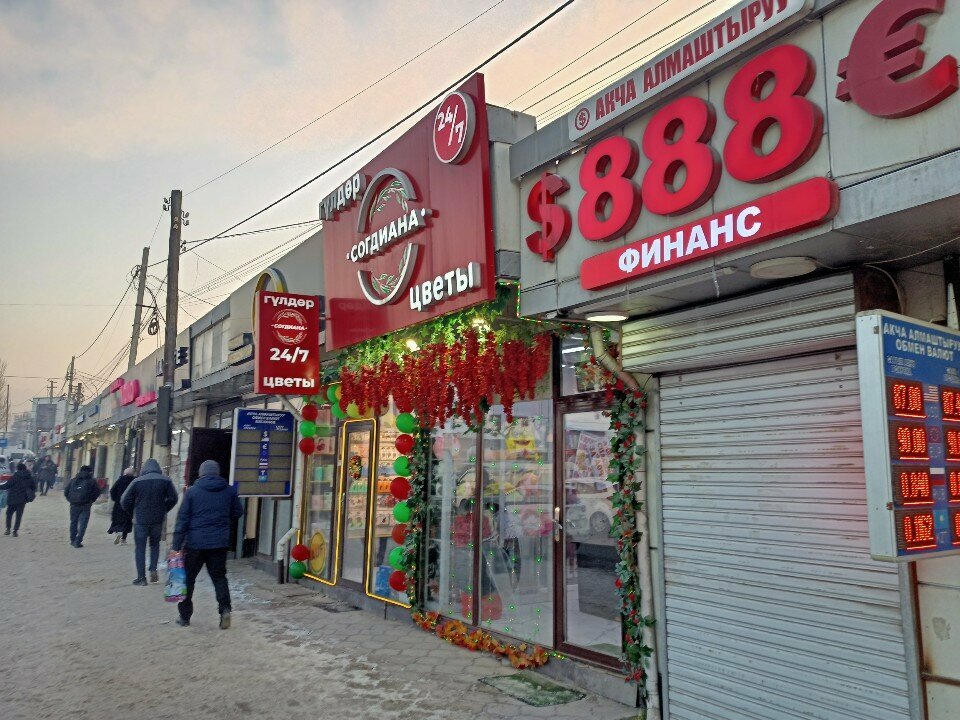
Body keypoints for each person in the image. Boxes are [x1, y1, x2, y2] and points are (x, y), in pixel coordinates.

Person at [171, 460, 243, 629]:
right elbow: (238, 512)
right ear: (218, 473)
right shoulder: (229, 491)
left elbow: (182, 520)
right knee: (219, 577)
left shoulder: (192, 492)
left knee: (188, 580)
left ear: (201, 473)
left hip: (195, 544)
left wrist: (176, 545)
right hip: (219, 543)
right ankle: (225, 610)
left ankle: (185, 616)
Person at [121, 459, 178, 586]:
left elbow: (124, 500)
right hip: (157, 519)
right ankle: (153, 569)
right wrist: (164, 509)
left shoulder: (137, 481)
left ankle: (141, 578)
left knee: (140, 548)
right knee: (155, 545)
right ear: (158, 468)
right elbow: (174, 498)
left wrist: (133, 512)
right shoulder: (166, 480)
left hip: (141, 519)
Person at [64, 465, 100, 548]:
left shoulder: (73, 480)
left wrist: (70, 500)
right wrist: (91, 500)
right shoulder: (92, 481)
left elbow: (66, 491)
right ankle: (78, 540)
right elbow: (97, 492)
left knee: (73, 522)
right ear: (90, 472)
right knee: (83, 523)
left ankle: (72, 539)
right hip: (86, 505)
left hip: (73, 505)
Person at [0, 463, 36, 537]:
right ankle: (15, 531)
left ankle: (8, 529)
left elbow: (7, 485)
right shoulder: (29, 477)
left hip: (12, 498)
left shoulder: (15, 476)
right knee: (19, 515)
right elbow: (34, 487)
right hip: (22, 500)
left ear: (18, 468)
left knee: (9, 514)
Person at [108, 467, 136, 545]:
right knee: (127, 522)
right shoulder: (134, 481)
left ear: (124, 473)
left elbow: (112, 490)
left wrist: (115, 499)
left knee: (117, 520)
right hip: (129, 505)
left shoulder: (120, 480)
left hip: (118, 504)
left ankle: (117, 533)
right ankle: (123, 539)